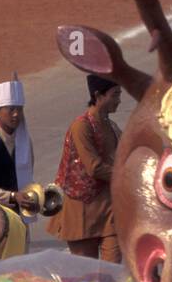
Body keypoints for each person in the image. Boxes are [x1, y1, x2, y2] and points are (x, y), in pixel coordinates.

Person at [47, 75, 122, 262]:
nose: (119, 100)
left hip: (109, 210)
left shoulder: (112, 127)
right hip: (82, 210)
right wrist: (126, 175)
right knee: (86, 276)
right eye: (115, 95)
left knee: (111, 273)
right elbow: (94, 167)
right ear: (98, 95)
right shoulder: (81, 127)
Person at [0, 77, 35, 213]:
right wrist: (11, 196)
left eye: (19, 109)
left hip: (19, 216)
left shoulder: (25, 142)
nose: (16, 114)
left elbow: (28, 178)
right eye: (11, 109)